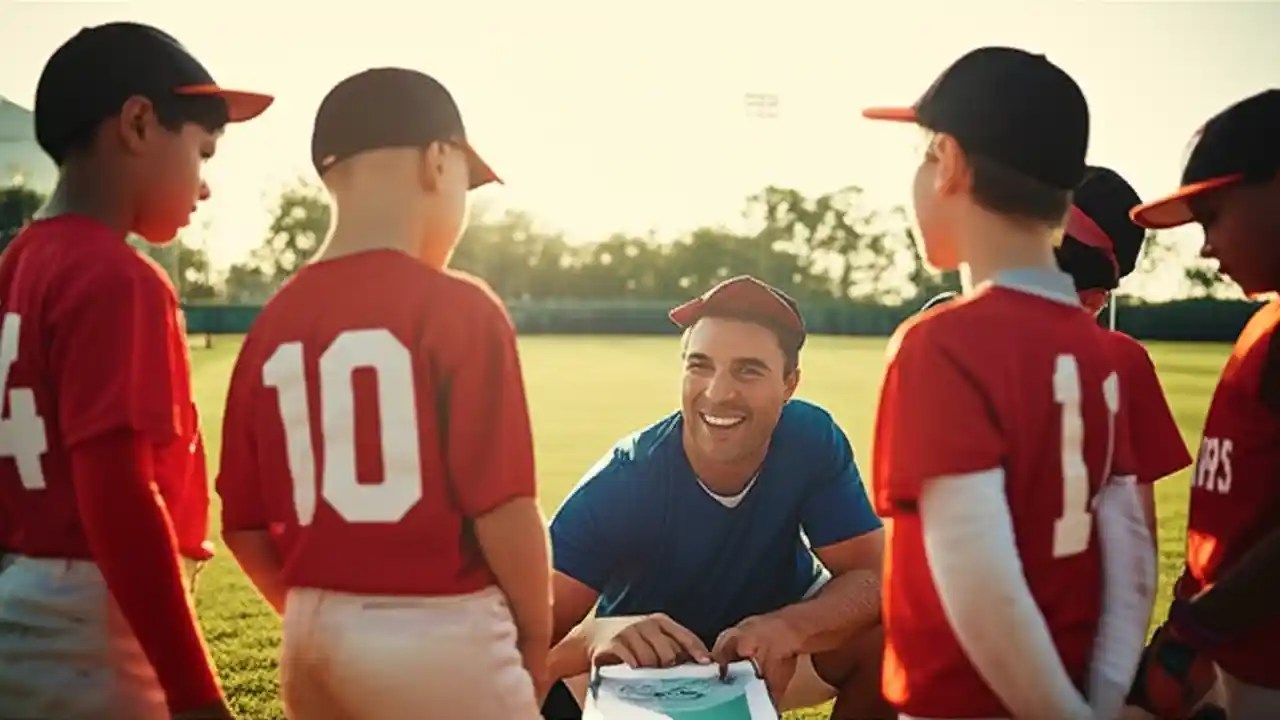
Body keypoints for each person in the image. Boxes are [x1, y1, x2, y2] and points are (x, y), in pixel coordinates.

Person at [215, 67, 548, 720]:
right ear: (437, 161)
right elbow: (504, 507)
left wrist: (324, 616)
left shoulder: (272, 324)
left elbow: (244, 525)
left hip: (310, 634)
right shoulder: (458, 306)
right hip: (440, 630)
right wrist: (535, 634)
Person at [0, 22, 271, 720]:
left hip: (23, 602)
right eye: (202, 153)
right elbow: (118, 493)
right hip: (96, 622)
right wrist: (195, 695)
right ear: (139, 123)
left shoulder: (16, 267)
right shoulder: (119, 278)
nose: (204, 188)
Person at [862, 47, 1141, 719]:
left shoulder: (940, 344)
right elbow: (1130, 554)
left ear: (950, 162)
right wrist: (1099, 701)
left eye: (925, 156)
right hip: (1071, 685)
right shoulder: (1105, 352)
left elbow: (976, 569)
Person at [542, 275, 890, 720]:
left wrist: (790, 627)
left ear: (789, 384)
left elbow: (873, 577)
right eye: (700, 366)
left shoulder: (809, 439)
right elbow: (520, 644)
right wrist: (595, 637)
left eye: (748, 370)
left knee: (897, 627)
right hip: (641, 674)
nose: (718, 392)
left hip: (766, 659)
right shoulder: (624, 479)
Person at [1125, 88, 1280, 720]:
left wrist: (1193, 633)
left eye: (1213, 216)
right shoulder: (1267, 321)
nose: (1206, 247)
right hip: (1238, 660)